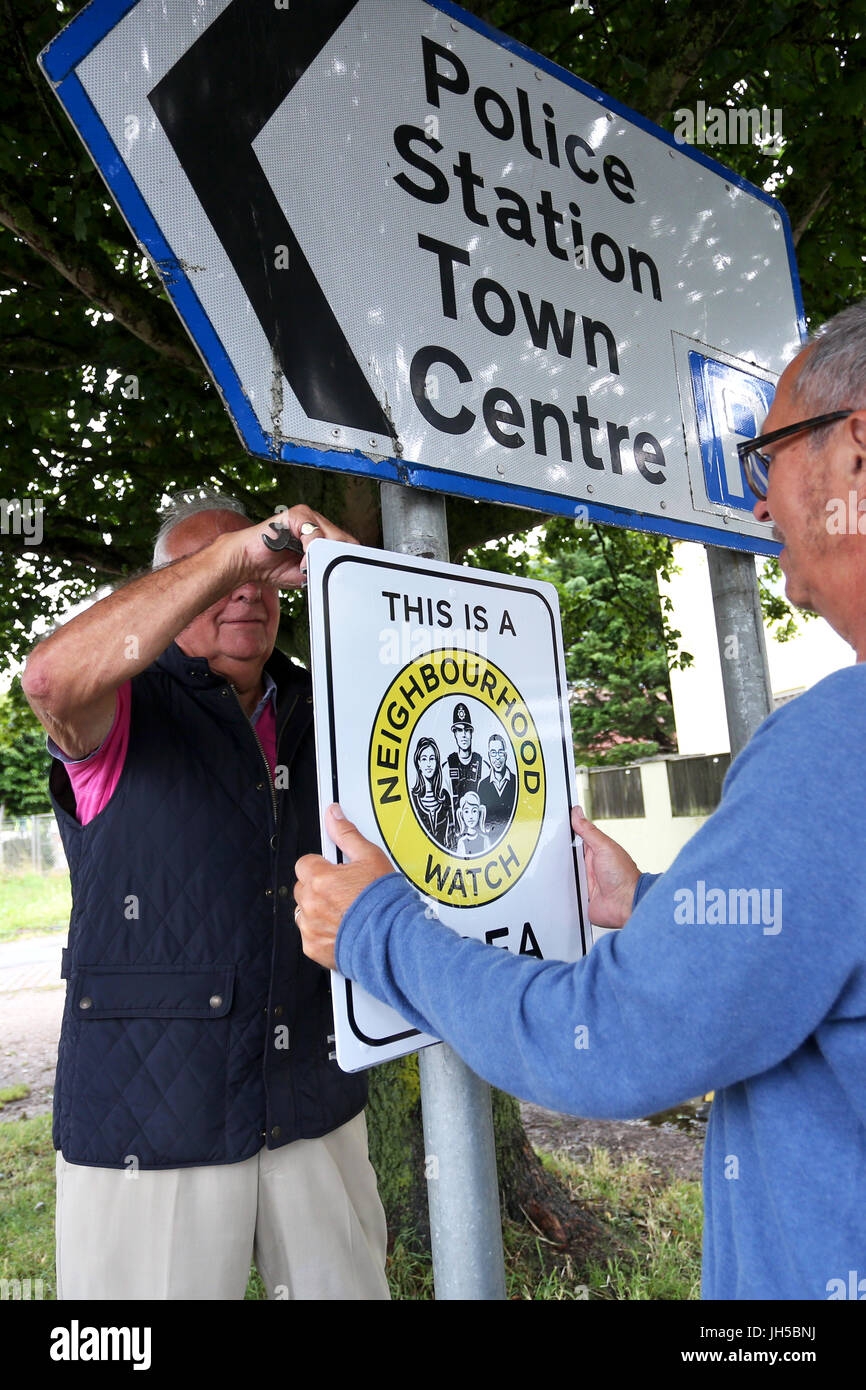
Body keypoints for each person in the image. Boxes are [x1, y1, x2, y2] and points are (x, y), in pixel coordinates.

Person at [293, 302, 866, 1300]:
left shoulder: (835, 745)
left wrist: (377, 929)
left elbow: (612, 1042)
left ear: (853, 448)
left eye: (762, 456)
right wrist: (649, 904)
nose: (759, 507)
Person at [22, 490, 389, 1301]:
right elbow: (46, 676)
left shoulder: (320, 703)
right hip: (152, 1120)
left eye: (265, 572)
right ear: (173, 588)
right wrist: (238, 550)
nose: (249, 588)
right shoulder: (121, 705)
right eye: (218, 572)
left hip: (311, 1100)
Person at [409, 736, 454, 849]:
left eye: (432, 758)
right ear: (418, 763)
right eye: (424, 759)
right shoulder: (412, 799)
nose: (428, 764)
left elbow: (452, 835)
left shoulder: (445, 797)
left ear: (437, 761)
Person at [477, 733, 516, 841]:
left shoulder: (516, 782)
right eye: (493, 753)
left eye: (500, 752)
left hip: (515, 839)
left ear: (505, 755)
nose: (497, 757)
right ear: (489, 756)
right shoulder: (483, 786)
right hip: (491, 842)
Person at [444, 702, 483, 806]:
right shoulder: (446, 767)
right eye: (460, 730)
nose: (464, 735)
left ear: (471, 733)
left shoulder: (483, 766)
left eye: (467, 730)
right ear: (455, 734)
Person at [454, 791, 490, 857]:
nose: (470, 816)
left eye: (474, 811)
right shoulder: (461, 842)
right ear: (462, 815)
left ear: (479, 813)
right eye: (466, 811)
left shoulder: (485, 839)